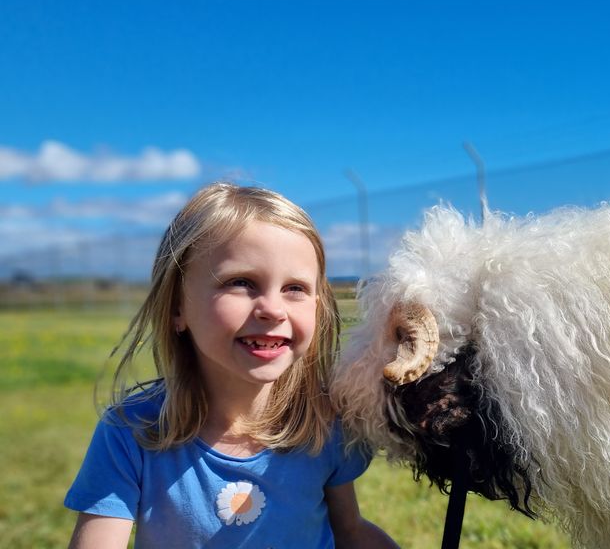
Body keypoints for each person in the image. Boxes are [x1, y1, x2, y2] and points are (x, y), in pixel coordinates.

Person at [65, 183, 399, 548]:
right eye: (241, 283)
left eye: (295, 288)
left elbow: (349, 530)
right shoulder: (132, 432)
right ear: (178, 307)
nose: (273, 309)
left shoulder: (325, 426)